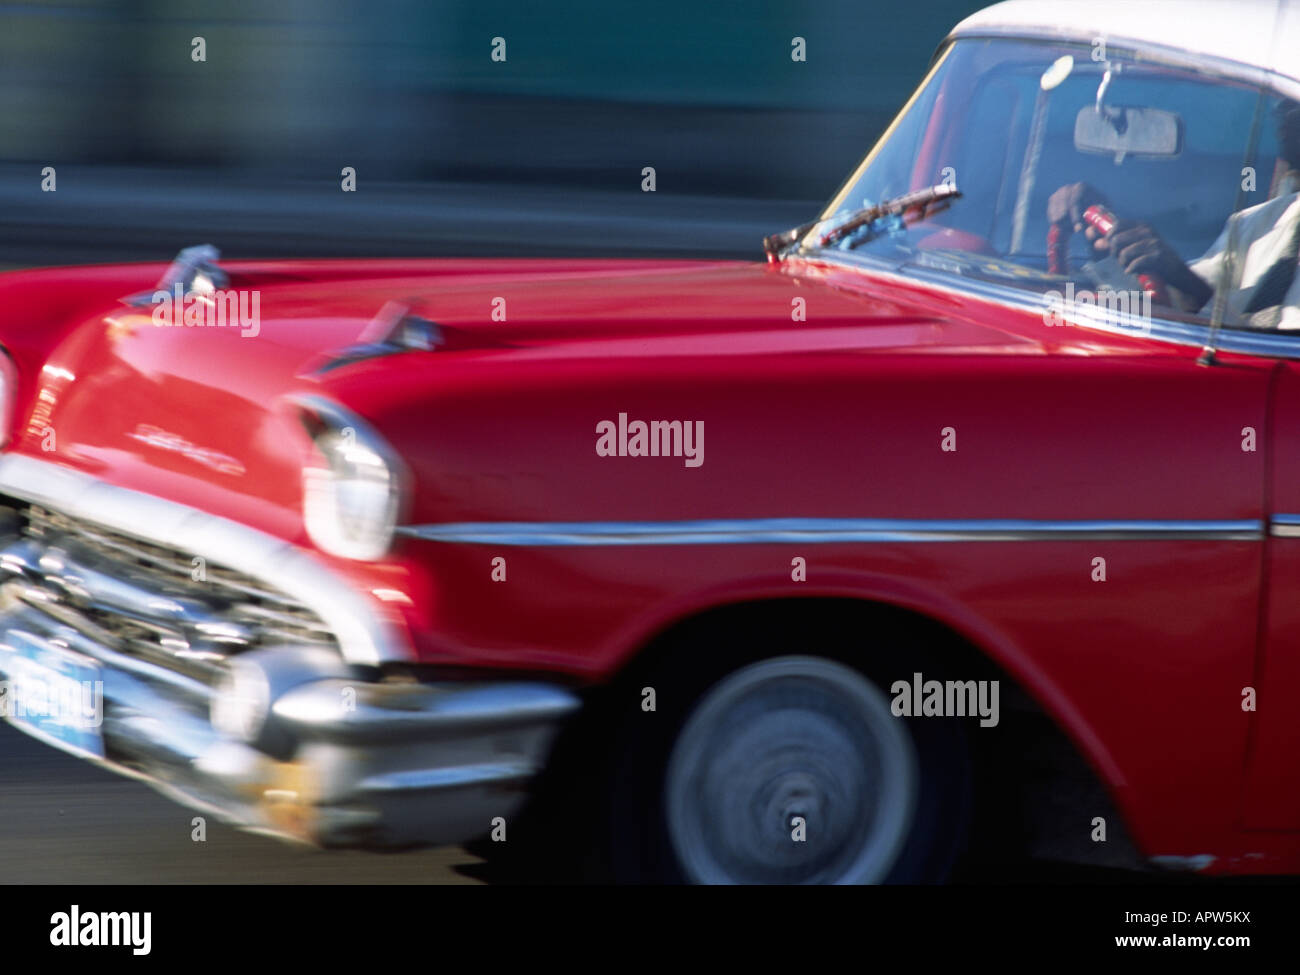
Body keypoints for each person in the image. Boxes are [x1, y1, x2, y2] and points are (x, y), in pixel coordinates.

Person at [1047, 99, 1300, 329]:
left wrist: (1182, 279)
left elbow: (1269, 349)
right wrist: (1109, 247)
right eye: (1284, 110)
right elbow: (1175, 306)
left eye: (1294, 110)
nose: (1284, 126)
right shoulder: (1257, 224)